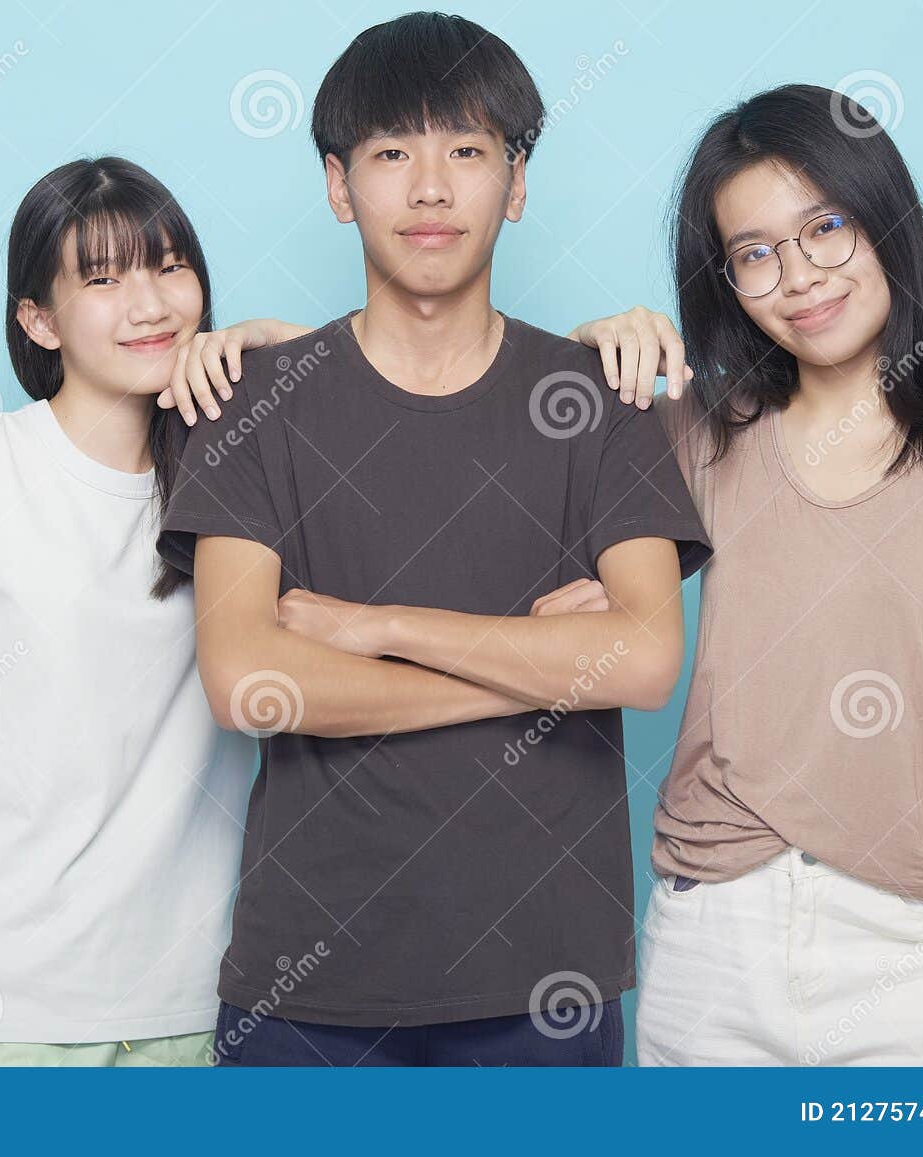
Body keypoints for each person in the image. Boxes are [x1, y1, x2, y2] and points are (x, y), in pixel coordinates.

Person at [155, 12, 710, 1067]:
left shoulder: (597, 398)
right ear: (335, 184)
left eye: (466, 151)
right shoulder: (250, 403)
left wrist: (372, 628)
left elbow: (641, 658)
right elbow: (247, 680)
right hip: (306, 985)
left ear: (517, 182)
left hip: (545, 981)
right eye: (390, 154)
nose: (428, 188)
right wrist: (541, 670)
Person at [634, 84, 923, 1066]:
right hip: (711, 939)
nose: (796, 274)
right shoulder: (697, 439)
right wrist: (598, 349)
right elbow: (524, 534)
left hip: (919, 946)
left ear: (883, 220)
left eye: (825, 228)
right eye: (753, 252)